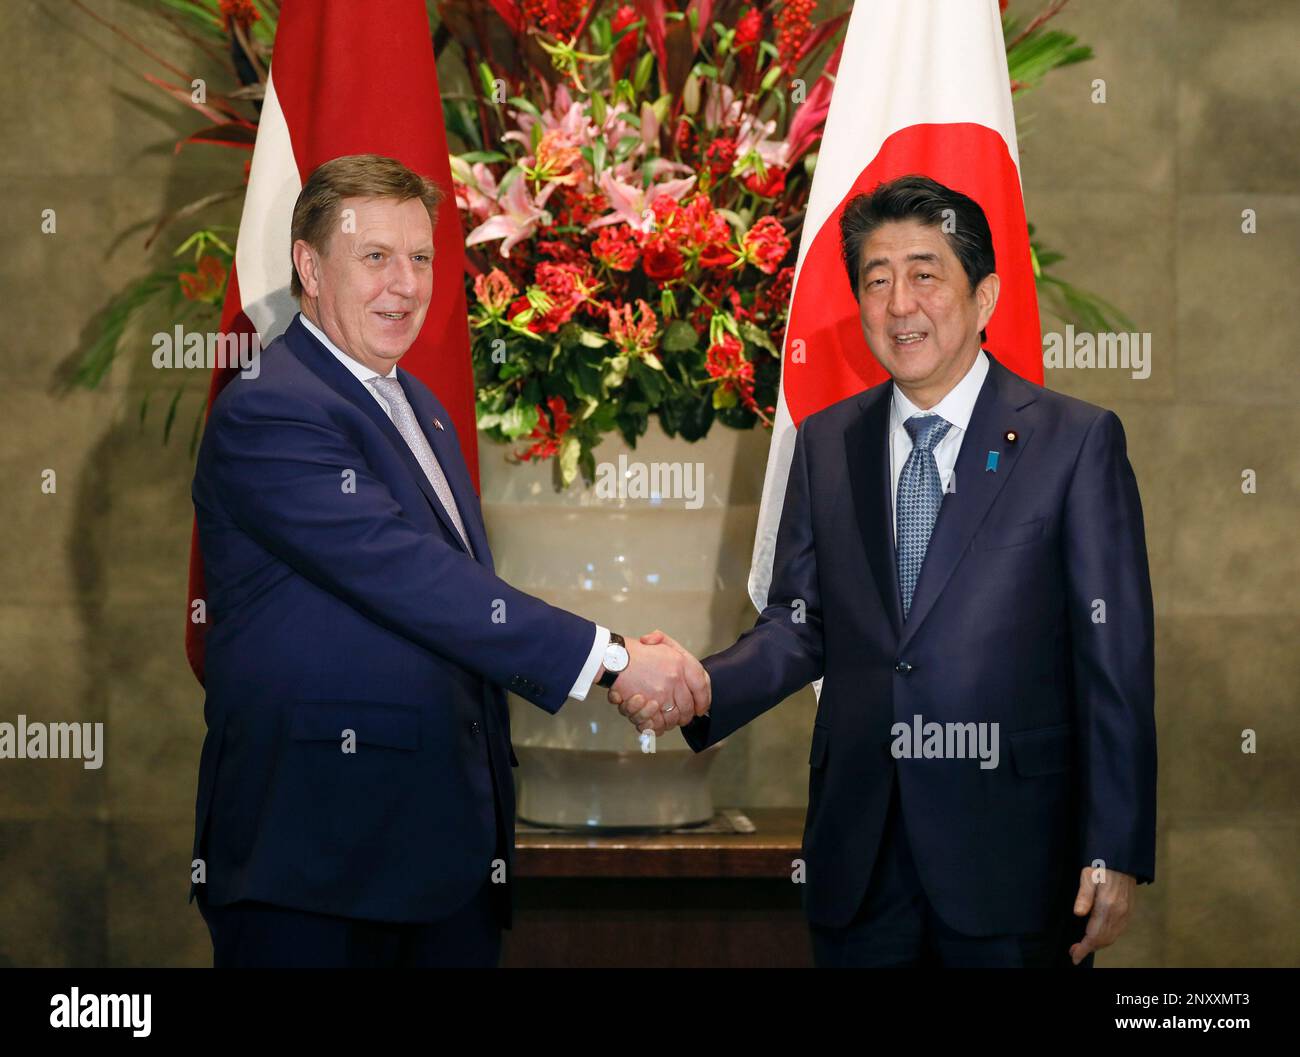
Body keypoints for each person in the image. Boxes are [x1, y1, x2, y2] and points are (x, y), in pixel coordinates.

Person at [612, 174, 1157, 968]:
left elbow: (1116, 663)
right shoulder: (829, 442)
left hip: (1013, 860)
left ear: (987, 295)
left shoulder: (1073, 444)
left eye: (926, 274)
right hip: (858, 859)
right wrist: (701, 682)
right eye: (877, 279)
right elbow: (802, 625)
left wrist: (1115, 842)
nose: (901, 303)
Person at [188, 153, 708, 968]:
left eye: (421, 257)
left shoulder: (416, 407)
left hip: (439, 861)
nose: (405, 283)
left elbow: (461, 601)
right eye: (374, 257)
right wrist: (612, 662)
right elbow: (414, 580)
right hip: (318, 868)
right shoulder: (273, 406)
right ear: (309, 266)